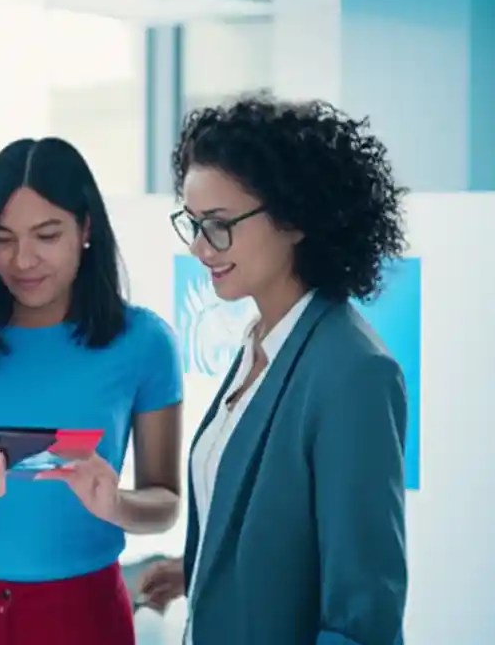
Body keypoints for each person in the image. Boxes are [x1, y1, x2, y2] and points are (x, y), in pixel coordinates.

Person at [137, 95, 409, 644]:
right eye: (192, 224)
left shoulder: (354, 373)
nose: (198, 247)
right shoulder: (260, 343)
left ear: (295, 219)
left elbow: (362, 618)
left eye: (218, 225)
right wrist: (200, 571)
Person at [0, 136, 184, 645]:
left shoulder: (145, 343)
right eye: (2, 237)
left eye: (46, 235)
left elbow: (165, 503)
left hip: (86, 614)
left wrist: (113, 503)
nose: (22, 259)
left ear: (86, 228)